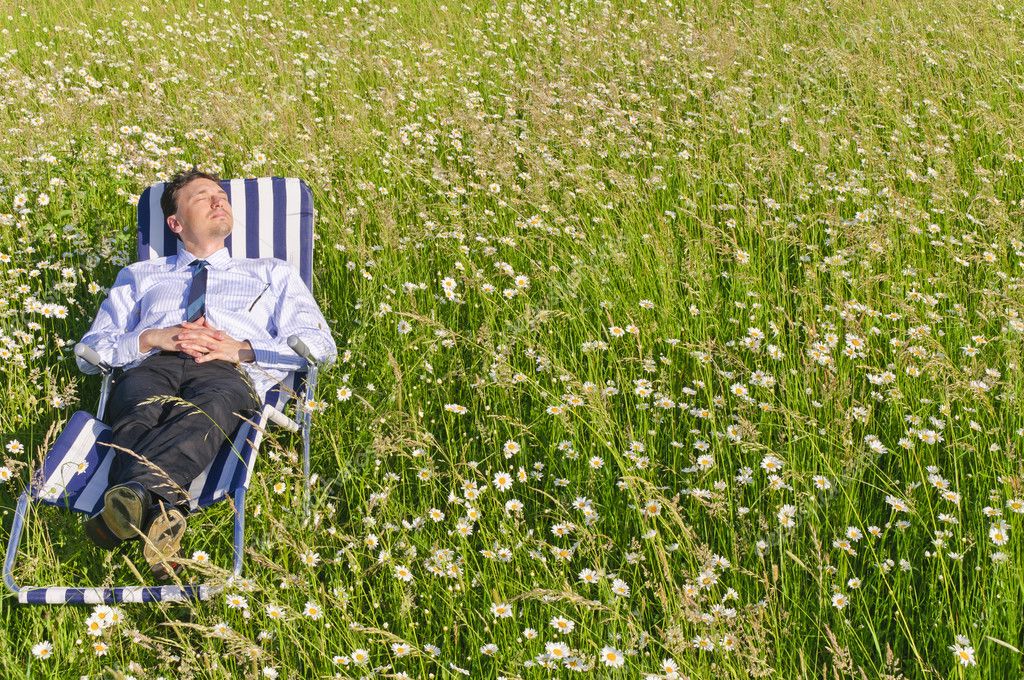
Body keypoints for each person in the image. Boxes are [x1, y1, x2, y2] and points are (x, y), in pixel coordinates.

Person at [76, 169, 336, 579]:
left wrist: (242, 349)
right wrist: (149, 338)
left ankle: (132, 504)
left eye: (221, 196)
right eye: (202, 197)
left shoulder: (272, 273)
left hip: (228, 371)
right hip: (152, 365)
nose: (219, 202)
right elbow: (90, 354)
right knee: (137, 409)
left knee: (211, 406)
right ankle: (158, 511)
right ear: (175, 224)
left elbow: (321, 347)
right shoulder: (140, 276)